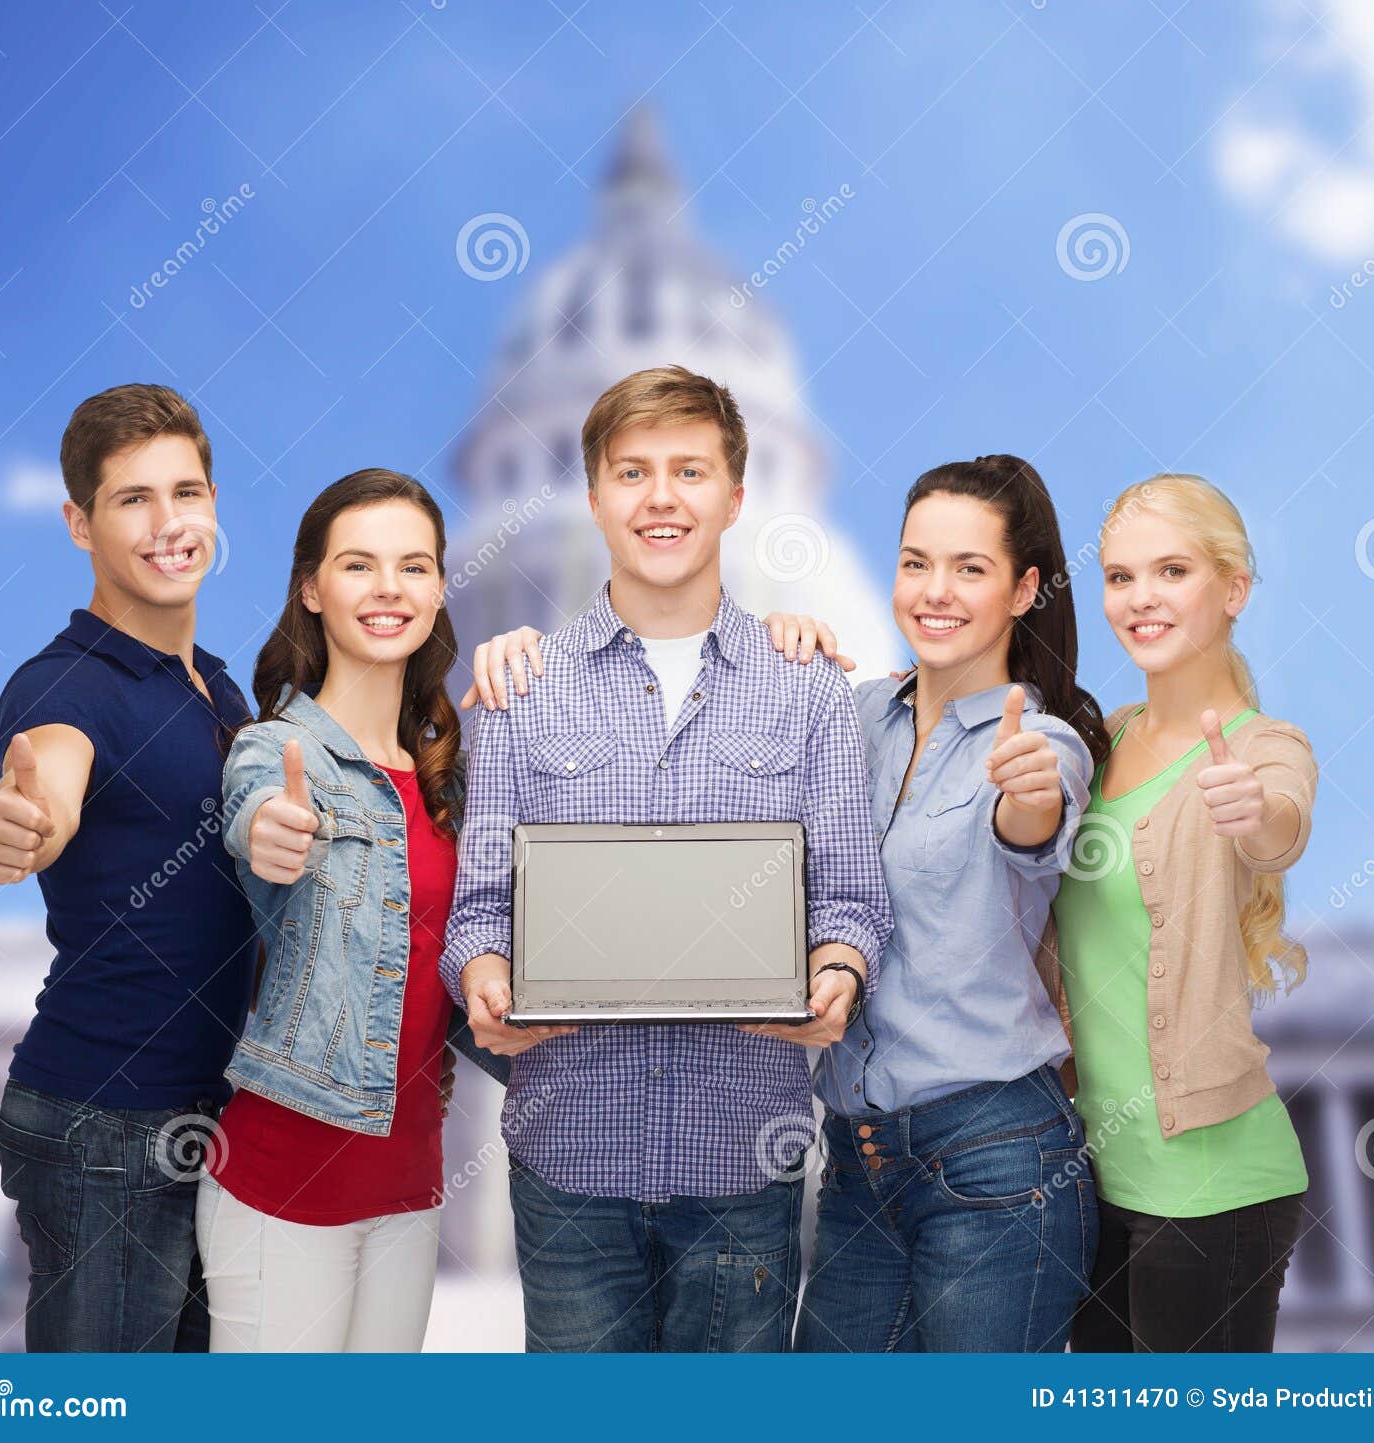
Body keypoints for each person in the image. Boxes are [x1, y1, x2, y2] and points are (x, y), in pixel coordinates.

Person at [440, 364, 892, 1353]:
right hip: (568, 1160)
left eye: (689, 470)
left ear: (736, 495)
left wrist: (835, 968)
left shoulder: (805, 688)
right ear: (593, 491)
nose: (660, 497)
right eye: (632, 471)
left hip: (745, 1156)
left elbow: (851, 896)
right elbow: (477, 908)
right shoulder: (520, 686)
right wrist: (481, 976)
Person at [764, 456, 1106, 1351]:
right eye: (916, 562)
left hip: (998, 1159)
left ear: (1025, 589)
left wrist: (1027, 793)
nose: (934, 590)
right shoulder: (853, 714)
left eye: (970, 567)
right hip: (856, 1165)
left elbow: (1032, 819)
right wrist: (768, 639)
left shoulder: (1045, 742)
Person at [0, 384, 255, 1351]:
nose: (169, 524)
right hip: (108, 1124)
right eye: (133, 499)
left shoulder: (218, 685)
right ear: (78, 522)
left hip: (214, 1117)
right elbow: (47, 781)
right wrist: (25, 826)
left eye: (188, 492)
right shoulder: (63, 683)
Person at [196, 470, 491, 1352]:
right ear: (312, 589)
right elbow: (257, 810)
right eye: (359, 565)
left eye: (414, 566)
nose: (389, 588)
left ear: (440, 590)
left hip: (408, 1183)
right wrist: (269, 833)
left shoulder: (448, 780)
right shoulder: (278, 750)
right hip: (284, 1179)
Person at [1057, 474, 1316, 1353]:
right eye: (1121, 577)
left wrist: (1258, 814)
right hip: (1099, 1180)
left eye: (1172, 570)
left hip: (1214, 1190)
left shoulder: (1262, 747)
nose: (1140, 598)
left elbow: (1280, 824)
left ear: (1233, 588)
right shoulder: (1104, 736)